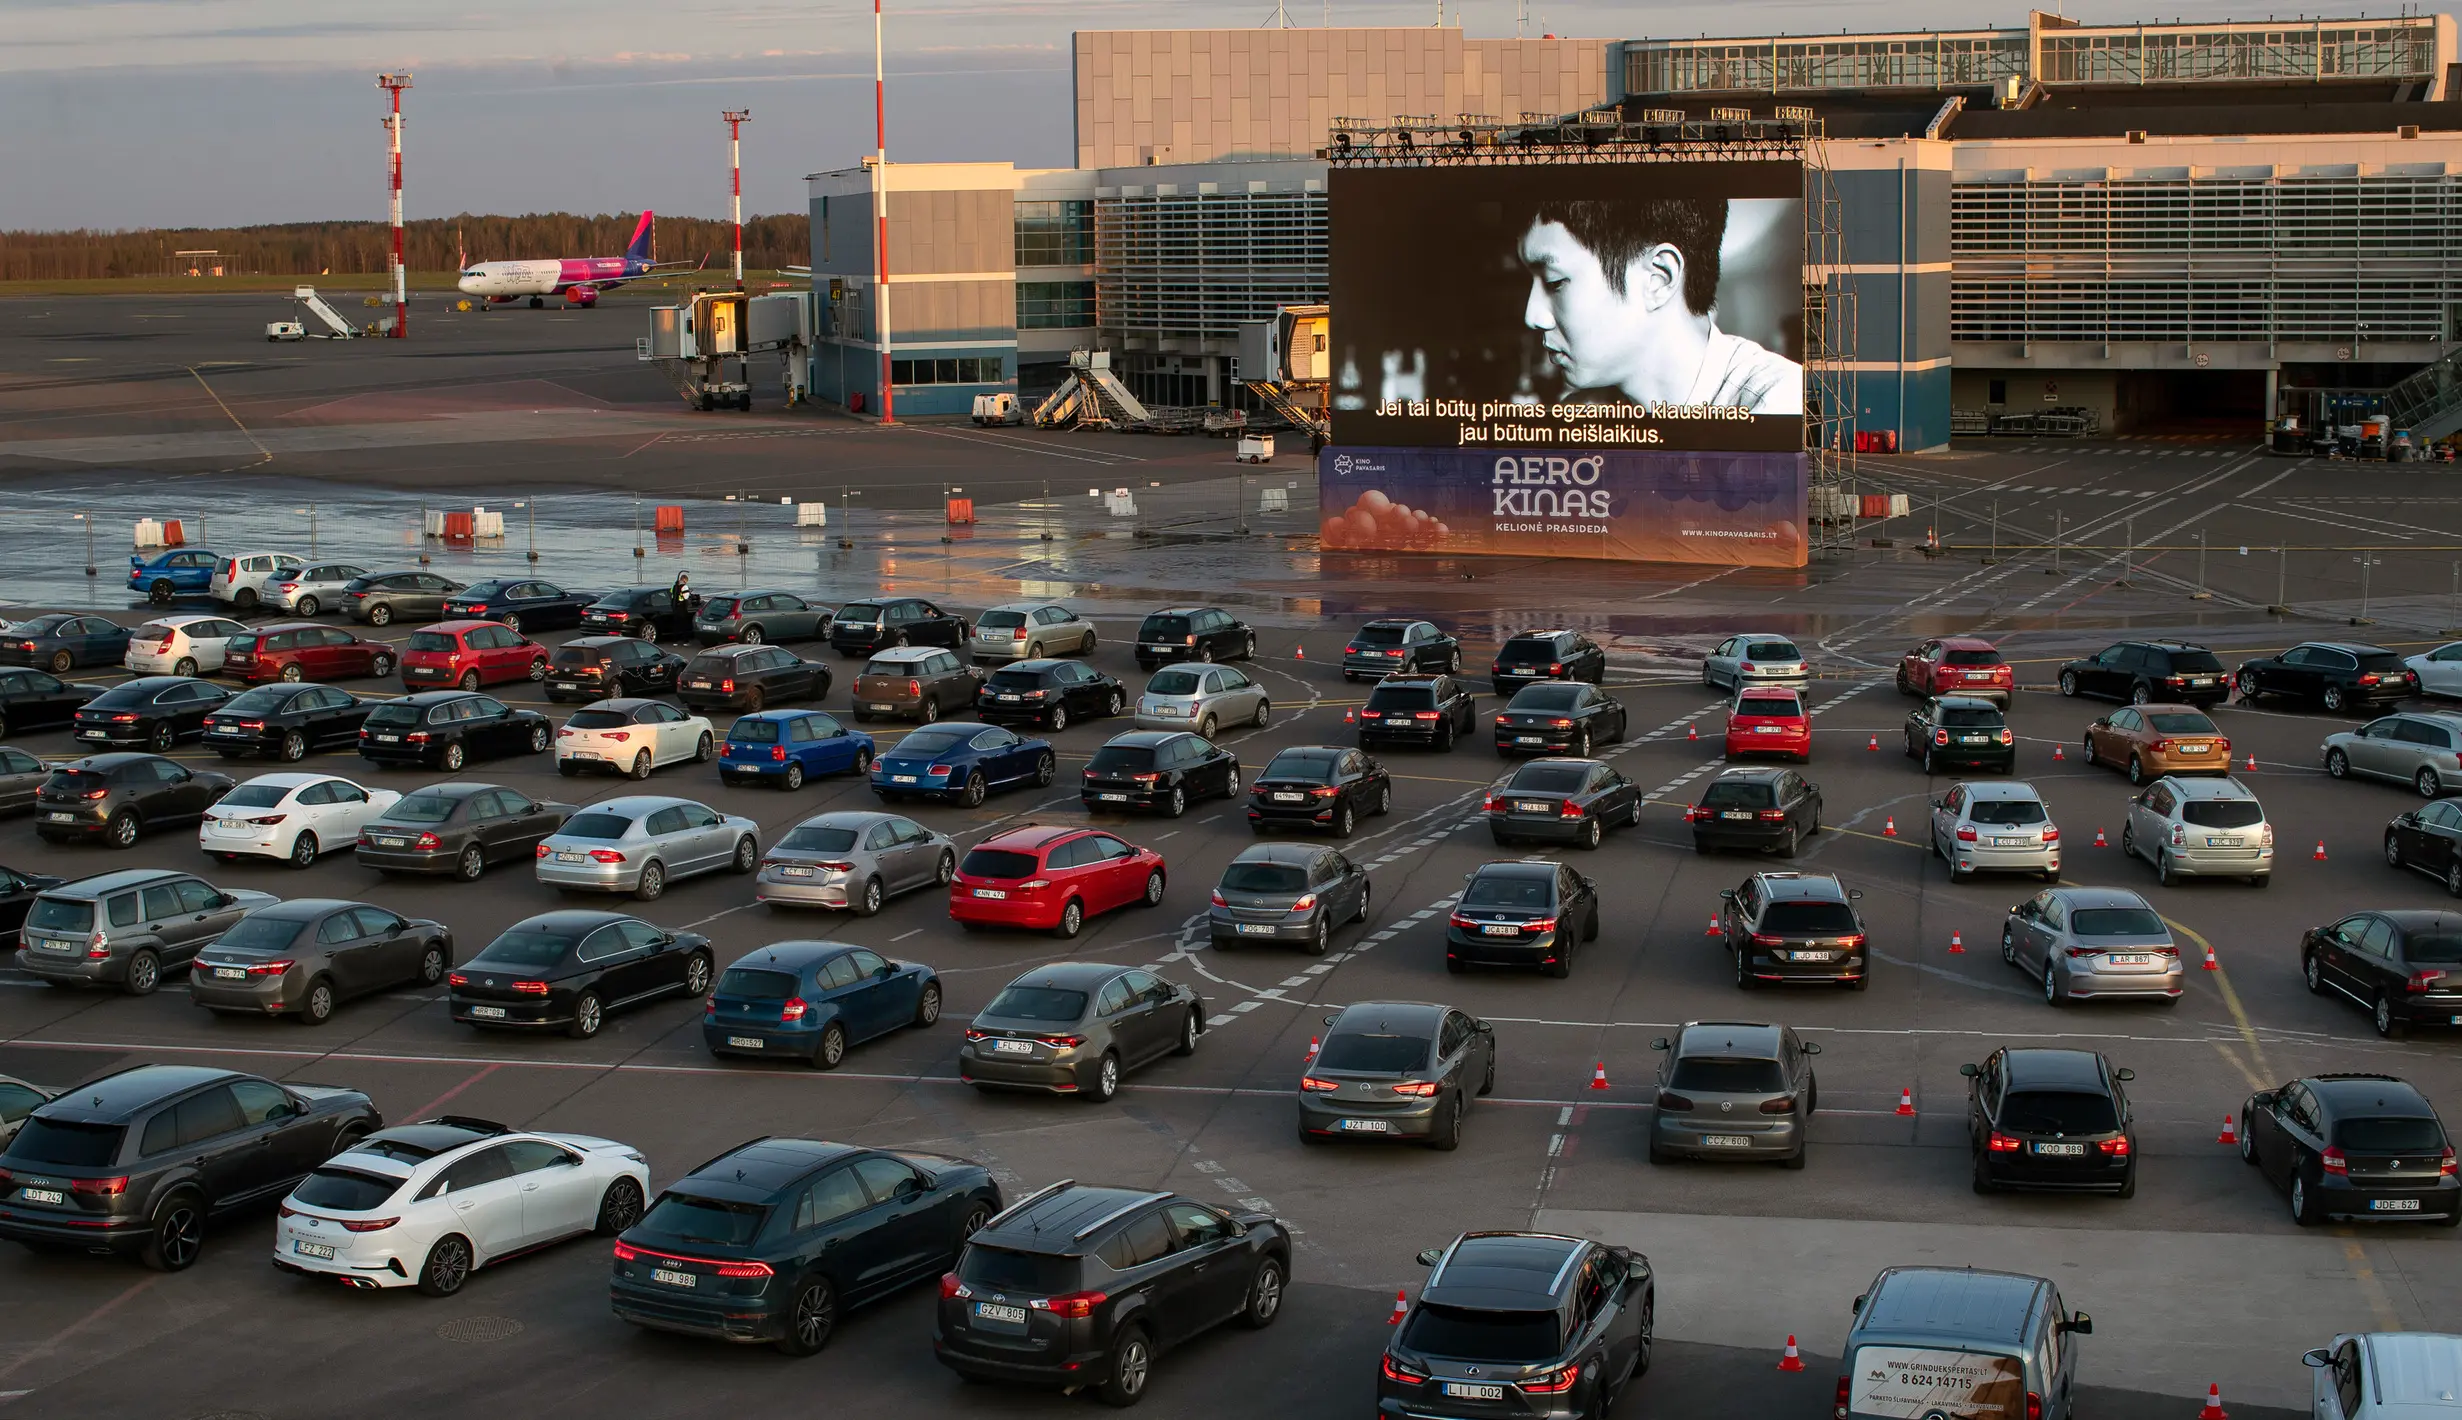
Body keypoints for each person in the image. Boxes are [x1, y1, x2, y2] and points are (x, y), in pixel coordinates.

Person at [1517, 195, 1802, 416]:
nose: (1532, 316)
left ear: (1658, 279)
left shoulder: (1779, 402)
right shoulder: (1585, 414)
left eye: (1555, 282)